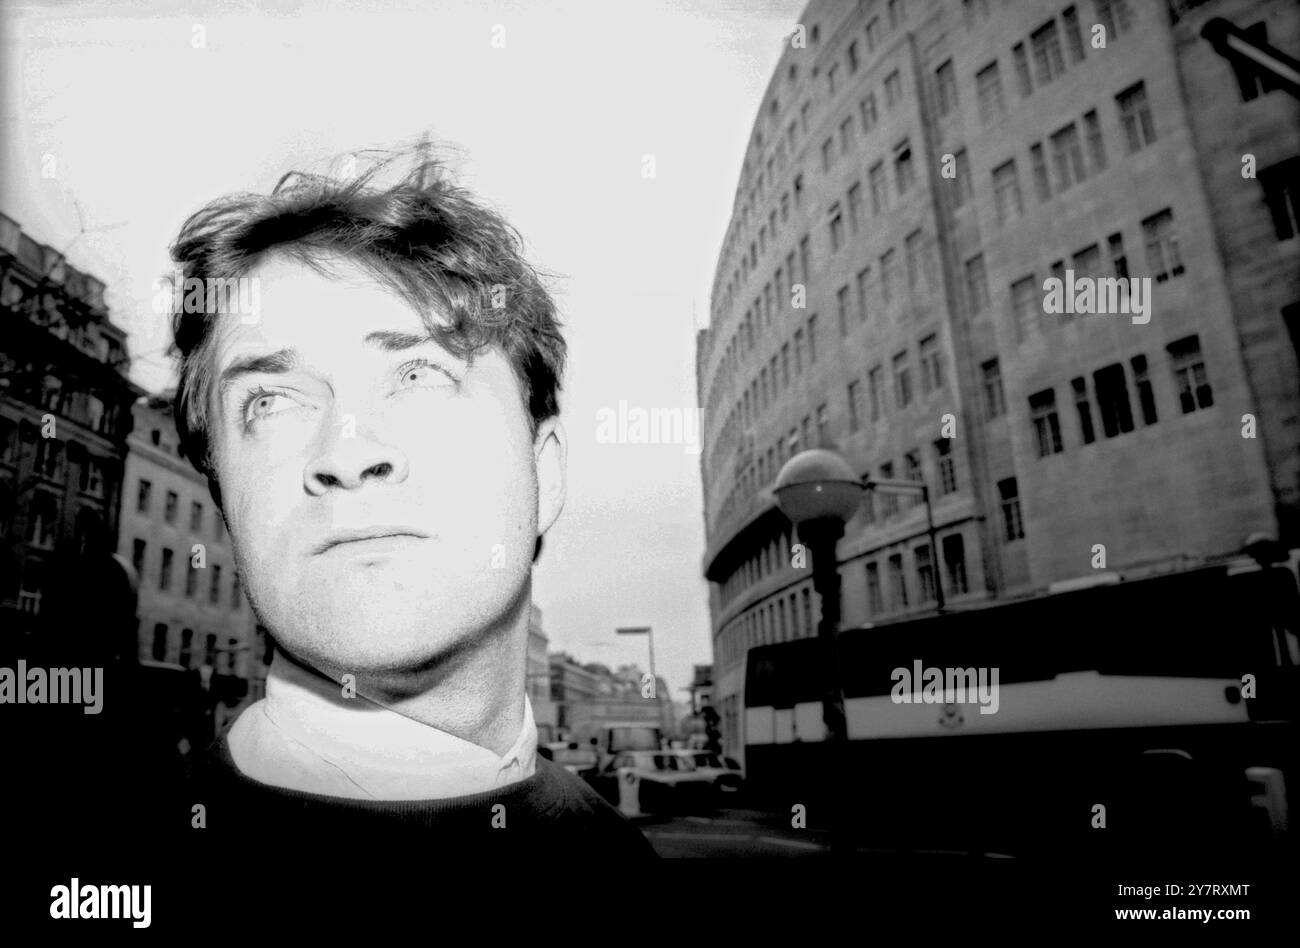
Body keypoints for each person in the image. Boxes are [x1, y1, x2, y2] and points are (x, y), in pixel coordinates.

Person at [165, 145, 655, 864]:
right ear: (226, 498)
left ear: (544, 473)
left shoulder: (620, 862)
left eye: (418, 373)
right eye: (270, 401)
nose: (347, 449)